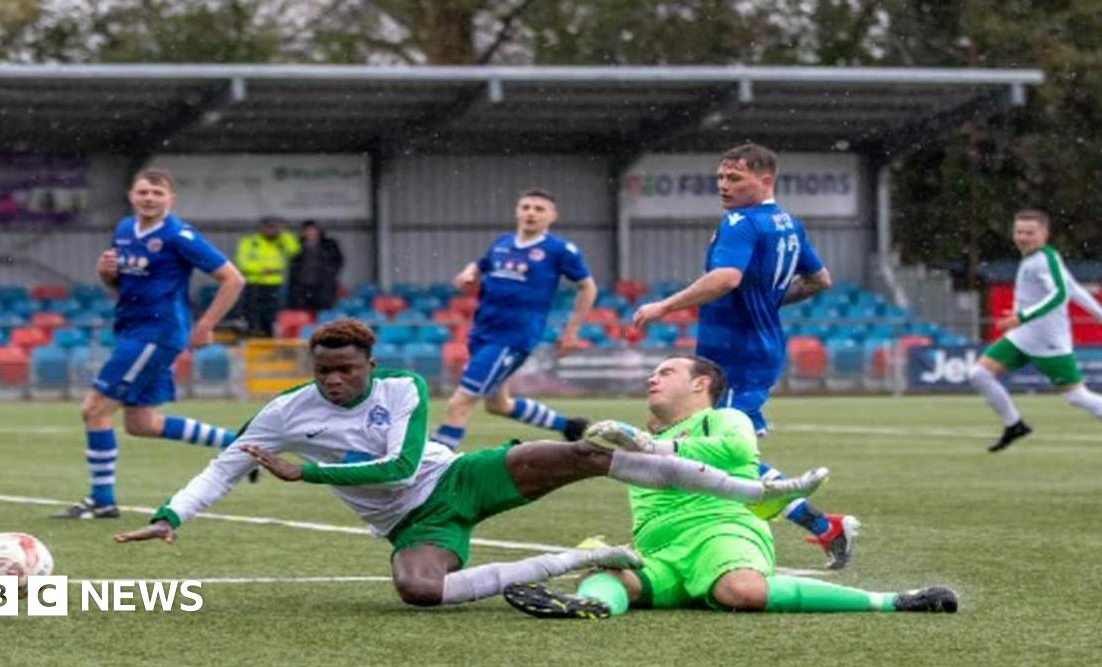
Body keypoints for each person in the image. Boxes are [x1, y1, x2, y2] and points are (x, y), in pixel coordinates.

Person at [113, 319, 829, 609]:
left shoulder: (405, 387)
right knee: (420, 592)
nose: (334, 382)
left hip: (457, 476)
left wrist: (315, 474)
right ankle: (571, 561)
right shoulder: (285, 412)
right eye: (324, 371)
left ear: (369, 362)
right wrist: (172, 513)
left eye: (346, 369)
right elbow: (225, 464)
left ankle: (760, 489)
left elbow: (397, 466)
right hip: (415, 523)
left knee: (590, 452)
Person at [502, 355, 958, 619]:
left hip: (722, 534)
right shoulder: (641, 440)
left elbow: (736, 450)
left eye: (665, 372)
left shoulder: (721, 417)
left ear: (700, 384)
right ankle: (588, 607)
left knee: (741, 592)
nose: (651, 379)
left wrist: (652, 447)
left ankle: (893, 600)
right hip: (659, 551)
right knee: (609, 577)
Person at [632, 143, 857, 569]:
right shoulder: (788, 222)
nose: (723, 186)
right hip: (754, 349)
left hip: (734, 354)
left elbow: (725, 278)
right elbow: (820, 280)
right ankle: (815, 525)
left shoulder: (740, 222)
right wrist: (769, 304)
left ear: (766, 180)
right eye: (720, 177)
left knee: (721, 454)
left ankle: (822, 524)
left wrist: (664, 306)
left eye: (734, 178)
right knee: (696, 442)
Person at [51, 168, 248, 519]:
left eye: (158, 193)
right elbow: (119, 287)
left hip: (156, 334)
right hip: (131, 329)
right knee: (142, 424)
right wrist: (105, 273)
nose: (149, 198)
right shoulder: (125, 230)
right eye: (143, 192)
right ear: (131, 195)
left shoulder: (180, 235)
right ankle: (240, 446)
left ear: (171, 199)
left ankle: (102, 501)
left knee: (95, 409)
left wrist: (205, 324)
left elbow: (233, 279)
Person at [431, 189, 596, 451]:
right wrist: (468, 272)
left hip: (512, 337)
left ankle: (431, 464)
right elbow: (481, 264)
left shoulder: (560, 250)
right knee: (498, 405)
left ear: (553, 216)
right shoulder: (503, 242)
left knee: (460, 402)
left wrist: (571, 332)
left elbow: (588, 287)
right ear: (517, 211)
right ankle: (570, 427)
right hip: (483, 331)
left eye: (539, 209)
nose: (531, 213)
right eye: (526, 207)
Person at [970, 209, 1102, 452]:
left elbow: (1061, 294)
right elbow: (1074, 289)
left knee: (1077, 397)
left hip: (1048, 341)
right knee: (979, 374)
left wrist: (1021, 316)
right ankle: (1014, 425)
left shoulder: (1044, 259)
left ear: (1044, 234)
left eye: (1030, 233)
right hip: (1023, 337)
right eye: (1019, 232)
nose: (1023, 237)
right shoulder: (1037, 259)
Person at [236, 216, 299, 337]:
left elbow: (295, 249)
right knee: (252, 314)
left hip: (273, 284)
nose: (272, 230)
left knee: (270, 316)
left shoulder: (282, 241)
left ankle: (268, 338)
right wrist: (261, 270)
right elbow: (242, 261)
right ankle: (253, 337)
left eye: (275, 227)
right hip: (254, 283)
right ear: (261, 228)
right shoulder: (250, 242)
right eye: (269, 227)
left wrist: (283, 233)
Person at [286, 219, 344, 313]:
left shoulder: (329, 244)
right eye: (308, 231)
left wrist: (330, 273)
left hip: (323, 286)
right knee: (302, 312)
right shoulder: (296, 244)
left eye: (313, 230)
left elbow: (338, 261)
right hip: (302, 286)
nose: (311, 233)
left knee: (323, 311)